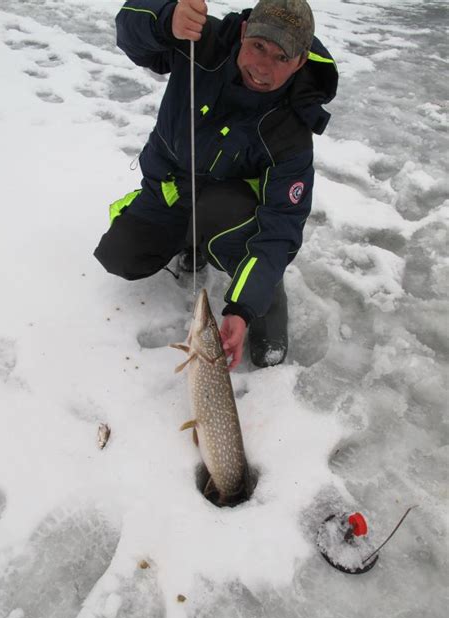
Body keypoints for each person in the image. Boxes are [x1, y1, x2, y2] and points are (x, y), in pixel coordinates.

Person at [94, 0, 338, 369]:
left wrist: (240, 309)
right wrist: (165, 19)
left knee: (226, 220)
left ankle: (266, 296)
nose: (262, 67)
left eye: (281, 57)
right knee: (121, 255)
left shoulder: (292, 132)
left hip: (232, 211)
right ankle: (191, 239)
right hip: (172, 186)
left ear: (301, 62)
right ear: (243, 33)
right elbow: (129, 30)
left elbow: (280, 230)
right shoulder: (200, 42)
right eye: (258, 46)